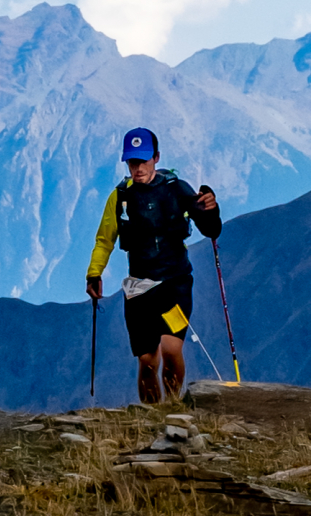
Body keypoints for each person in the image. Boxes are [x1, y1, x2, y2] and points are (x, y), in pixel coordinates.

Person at [86, 126, 221, 403]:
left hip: (175, 285)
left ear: (156, 158)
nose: (137, 168)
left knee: (171, 350)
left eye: (143, 161)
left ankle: (172, 408)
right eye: (132, 162)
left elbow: (210, 229)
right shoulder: (120, 197)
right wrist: (94, 273)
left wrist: (211, 208)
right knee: (147, 361)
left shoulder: (177, 190)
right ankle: (152, 418)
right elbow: (104, 239)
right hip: (139, 289)